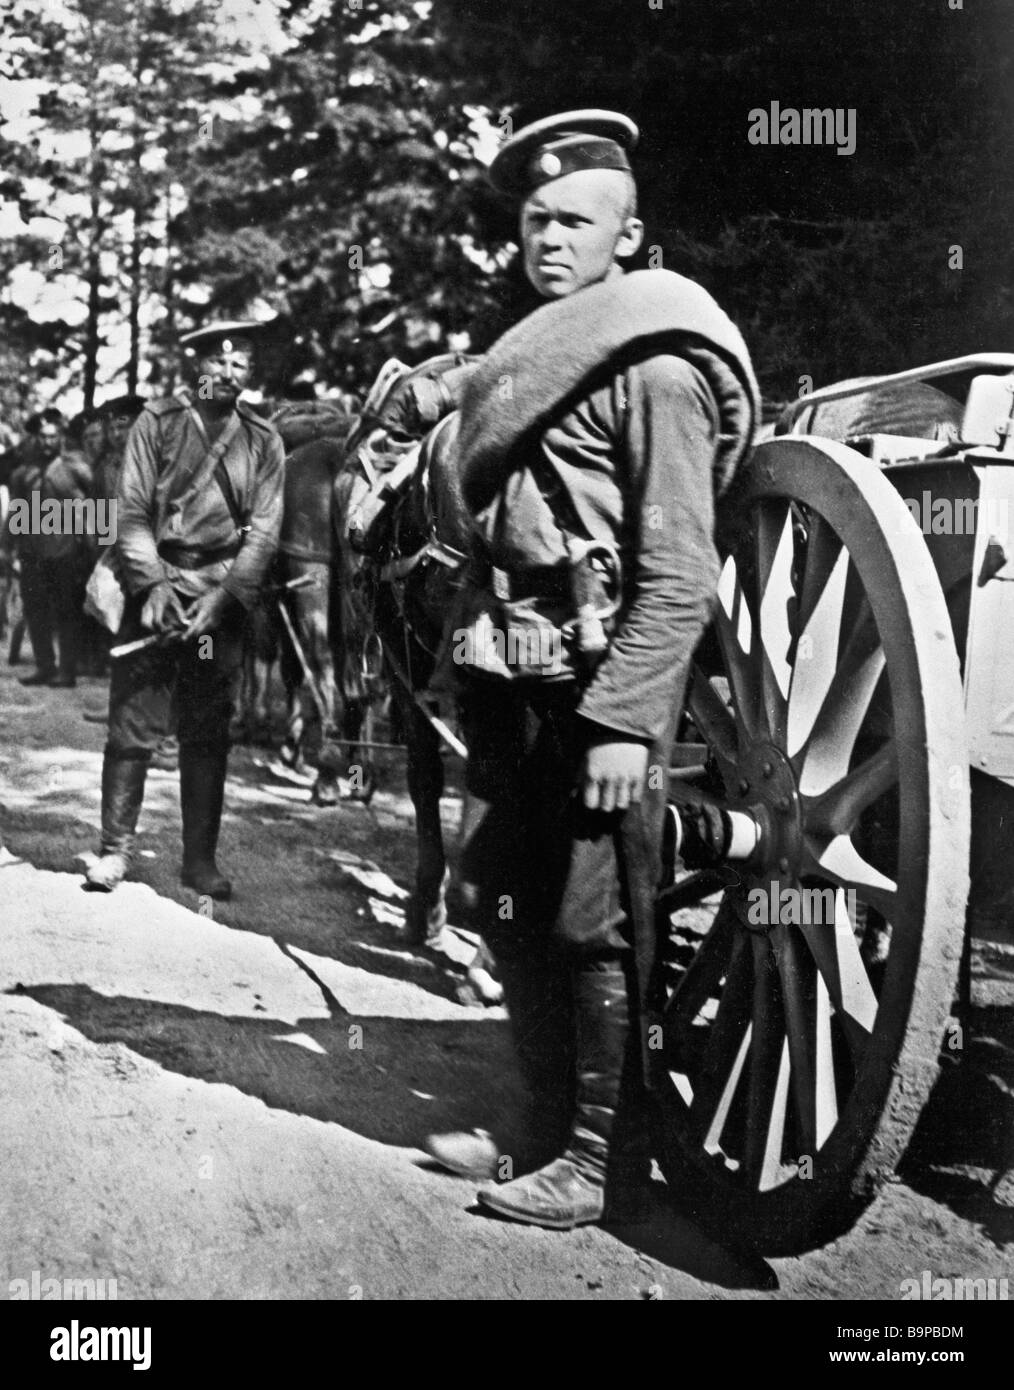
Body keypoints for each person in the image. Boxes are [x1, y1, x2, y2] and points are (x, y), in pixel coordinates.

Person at [423, 111, 759, 1228]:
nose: (550, 239)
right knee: (498, 899)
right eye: (534, 219)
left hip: (596, 693)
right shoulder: (535, 359)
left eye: (576, 220)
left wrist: (623, 721)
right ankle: (537, 1127)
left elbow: (679, 573)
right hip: (515, 682)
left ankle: (600, 1166)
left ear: (631, 236)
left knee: (589, 921)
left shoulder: (660, 372)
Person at [83, 322, 285, 896]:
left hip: (220, 594)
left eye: (240, 364)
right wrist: (151, 587)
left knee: (207, 729)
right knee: (133, 722)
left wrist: (224, 600)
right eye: (217, 363)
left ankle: (199, 862)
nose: (227, 373)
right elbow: (131, 512)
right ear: (194, 366)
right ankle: (115, 850)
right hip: (156, 585)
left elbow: (264, 533)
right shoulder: (158, 422)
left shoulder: (263, 439)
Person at [8, 409, 92, 688]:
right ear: (35, 439)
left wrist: (96, 546)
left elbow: (96, 502)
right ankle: (45, 666)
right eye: (42, 437)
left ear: (61, 438)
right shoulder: (23, 473)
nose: (47, 442)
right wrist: (9, 549)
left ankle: (67, 671)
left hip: (65, 550)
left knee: (66, 611)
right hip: (32, 551)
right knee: (35, 609)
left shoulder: (76, 468)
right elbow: (16, 513)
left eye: (53, 436)